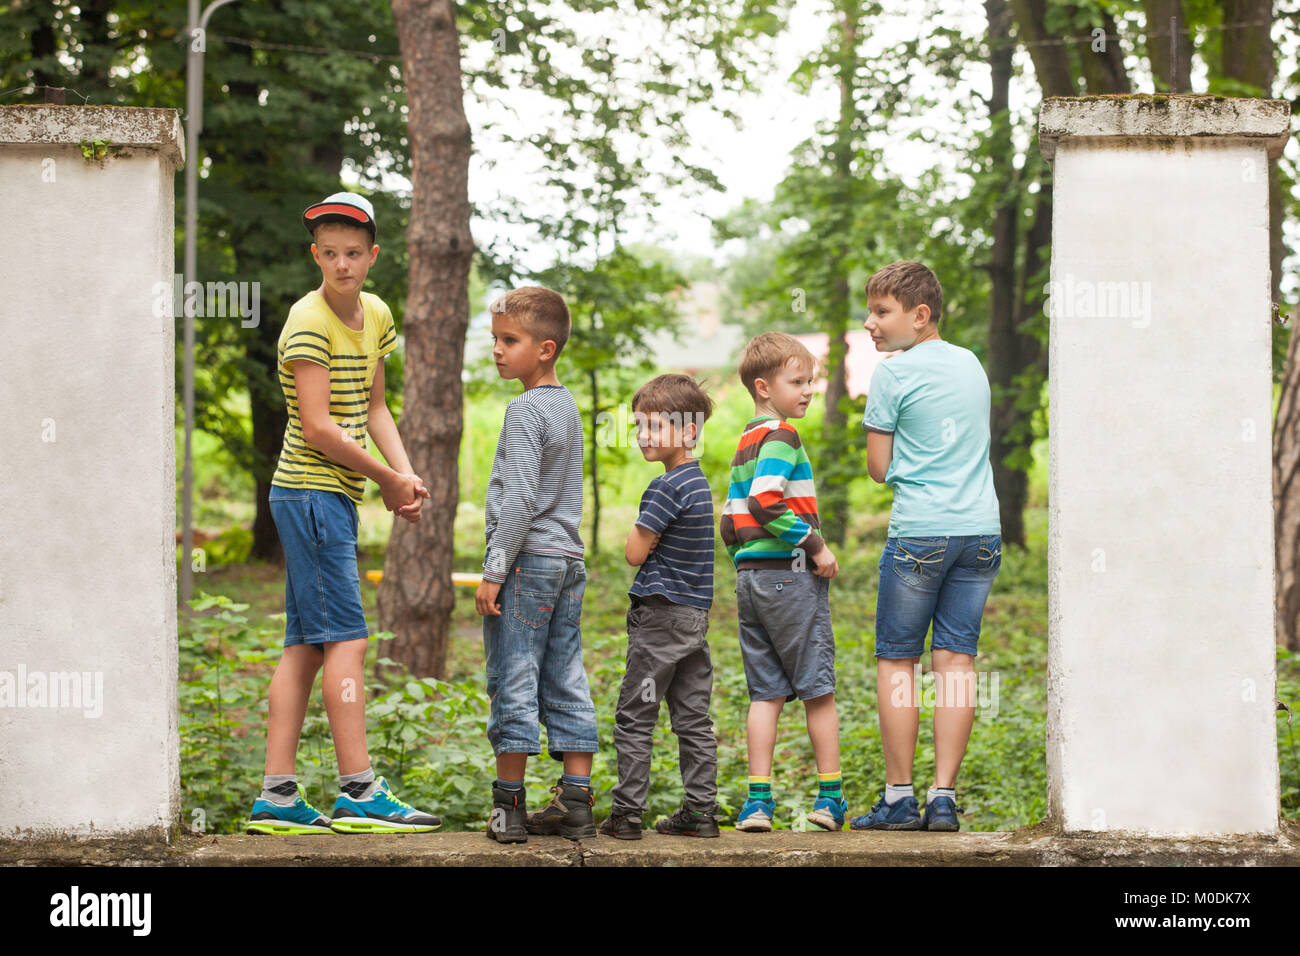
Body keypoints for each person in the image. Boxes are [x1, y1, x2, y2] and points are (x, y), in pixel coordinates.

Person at [247, 191, 440, 835]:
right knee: (348, 642)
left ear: (372, 255)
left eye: (353, 253)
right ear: (315, 256)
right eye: (329, 254)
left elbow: (377, 407)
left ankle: (276, 797)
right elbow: (320, 427)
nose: (342, 265)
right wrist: (386, 481)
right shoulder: (307, 323)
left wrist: (404, 473)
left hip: (330, 497)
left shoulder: (376, 314)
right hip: (308, 495)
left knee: (304, 646)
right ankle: (357, 790)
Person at [851, 260, 1002, 833]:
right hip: (981, 532)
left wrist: (910, 471)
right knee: (957, 663)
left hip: (920, 533)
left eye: (882, 311)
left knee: (898, 662)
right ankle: (944, 798)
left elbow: (877, 467)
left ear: (919, 316)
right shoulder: (971, 363)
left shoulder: (893, 374)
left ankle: (897, 799)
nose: (870, 322)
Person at [475, 286, 598, 844]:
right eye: (496, 338)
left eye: (510, 340)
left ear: (545, 348)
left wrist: (495, 569)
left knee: (514, 676)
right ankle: (576, 805)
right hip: (568, 560)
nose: (497, 350)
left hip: (527, 563)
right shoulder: (566, 403)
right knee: (566, 674)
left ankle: (509, 810)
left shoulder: (524, 409)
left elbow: (522, 497)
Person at [720, 332, 847, 832]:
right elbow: (765, 501)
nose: (809, 390)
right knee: (818, 691)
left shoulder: (744, 442)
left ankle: (757, 804)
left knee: (765, 694)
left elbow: (729, 521)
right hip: (791, 581)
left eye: (810, 380)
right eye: (798, 381)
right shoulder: (783, 436)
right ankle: (830, 799)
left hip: (751, 582)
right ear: (764, 386)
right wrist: (815, 546)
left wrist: (744, 562)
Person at [601, 374, 719, 840]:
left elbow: (635, 552)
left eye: (655, 426)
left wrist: (640, 539)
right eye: (639, 427)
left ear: (689, 432)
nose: (643, 437)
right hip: (693, 621)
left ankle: (627, 814)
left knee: (636, 716)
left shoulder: (665, 486)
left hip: (659, 621)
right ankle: (702, 811)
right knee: (692, 719)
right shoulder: (699, 483)